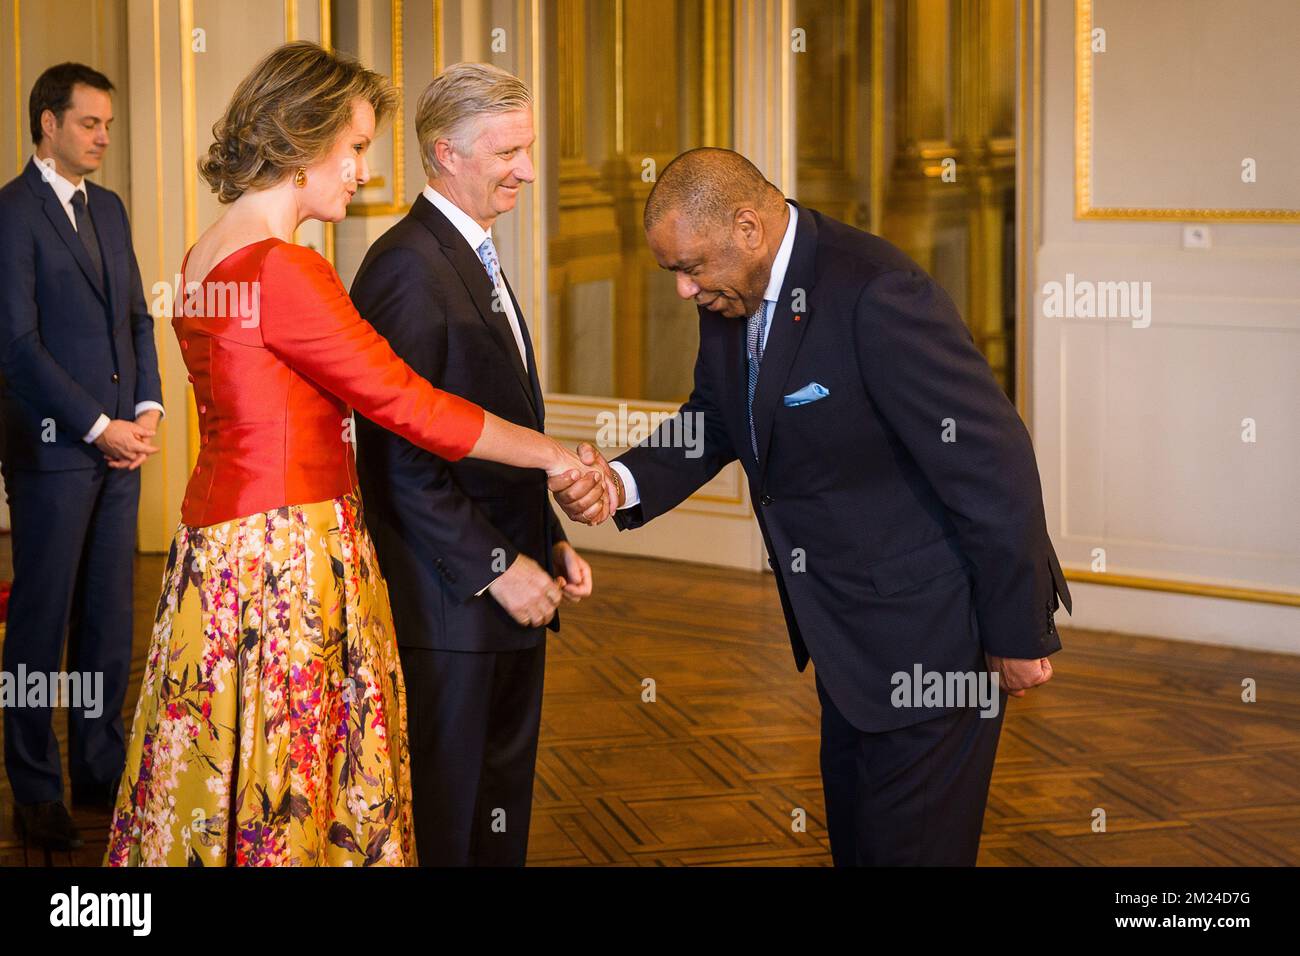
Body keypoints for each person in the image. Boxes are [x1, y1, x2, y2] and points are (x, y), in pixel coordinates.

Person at [103, 42, 611, 867]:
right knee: (295, 776)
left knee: (227, 766)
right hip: (287, 553)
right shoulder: (288, 270)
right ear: (305, 140)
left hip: (217, 553)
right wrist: (554, 457)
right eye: (357, 148)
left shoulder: (204, 257)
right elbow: (410, 407)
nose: (362, 172)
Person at [550, 147, 1072, 866]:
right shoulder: (731, 291)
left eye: (689, 267)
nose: (683, 289)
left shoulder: (878, 292)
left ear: (748, 227)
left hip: (933, 640)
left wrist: (1019, 633)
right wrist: (620, 482)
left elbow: (993, 464)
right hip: (847, 646)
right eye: (672, 270)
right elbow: (718, 418)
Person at [352, 63, 591, 867]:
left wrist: (546, 538)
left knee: (497, 814)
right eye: (508, 151)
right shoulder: (406, 269)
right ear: (446, 153)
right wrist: (499, 567)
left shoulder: (470, 251)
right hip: (450, 607)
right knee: (448, 827)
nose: (526, 168)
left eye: (528, 148)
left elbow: (496, 433)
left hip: (507, 591)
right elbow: (400, 463)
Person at [0, 62, 164, 852]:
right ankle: (33, 786)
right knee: (40, 624)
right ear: (48, 124)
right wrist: (99, 424)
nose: (104, 136)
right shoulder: (10, 213)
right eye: (90, 123)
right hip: (54, 452)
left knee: (107, 620)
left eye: (107, 123)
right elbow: (17, 347)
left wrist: (147, 407)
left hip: (122, 450)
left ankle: (99, 766)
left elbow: (136, 318)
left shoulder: (112, 208)